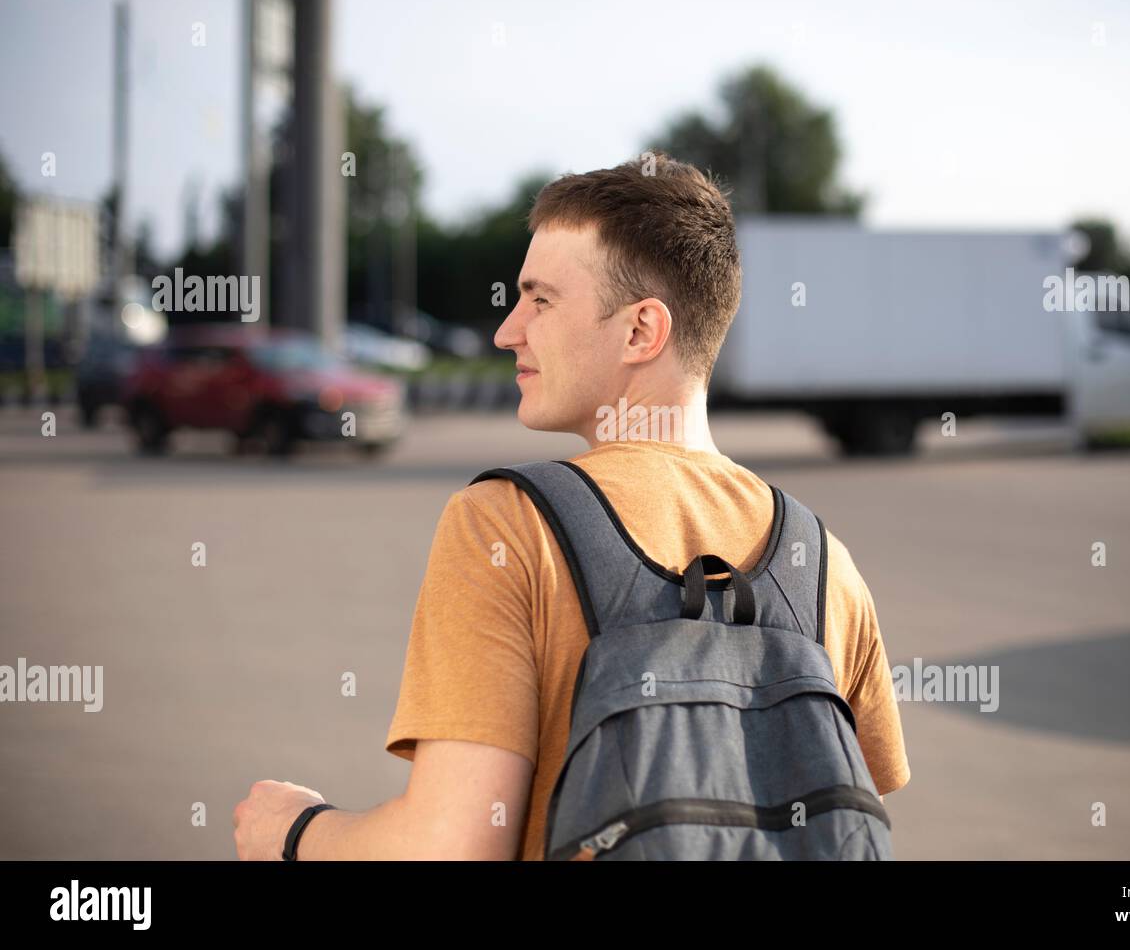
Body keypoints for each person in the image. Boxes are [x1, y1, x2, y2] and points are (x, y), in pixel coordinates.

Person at [233, 152, 910, 860]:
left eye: (541, 300)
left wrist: (294, 831)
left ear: (641, 331)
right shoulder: (827, 565)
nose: (508, 330)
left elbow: (451, 847)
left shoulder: (505, 524)